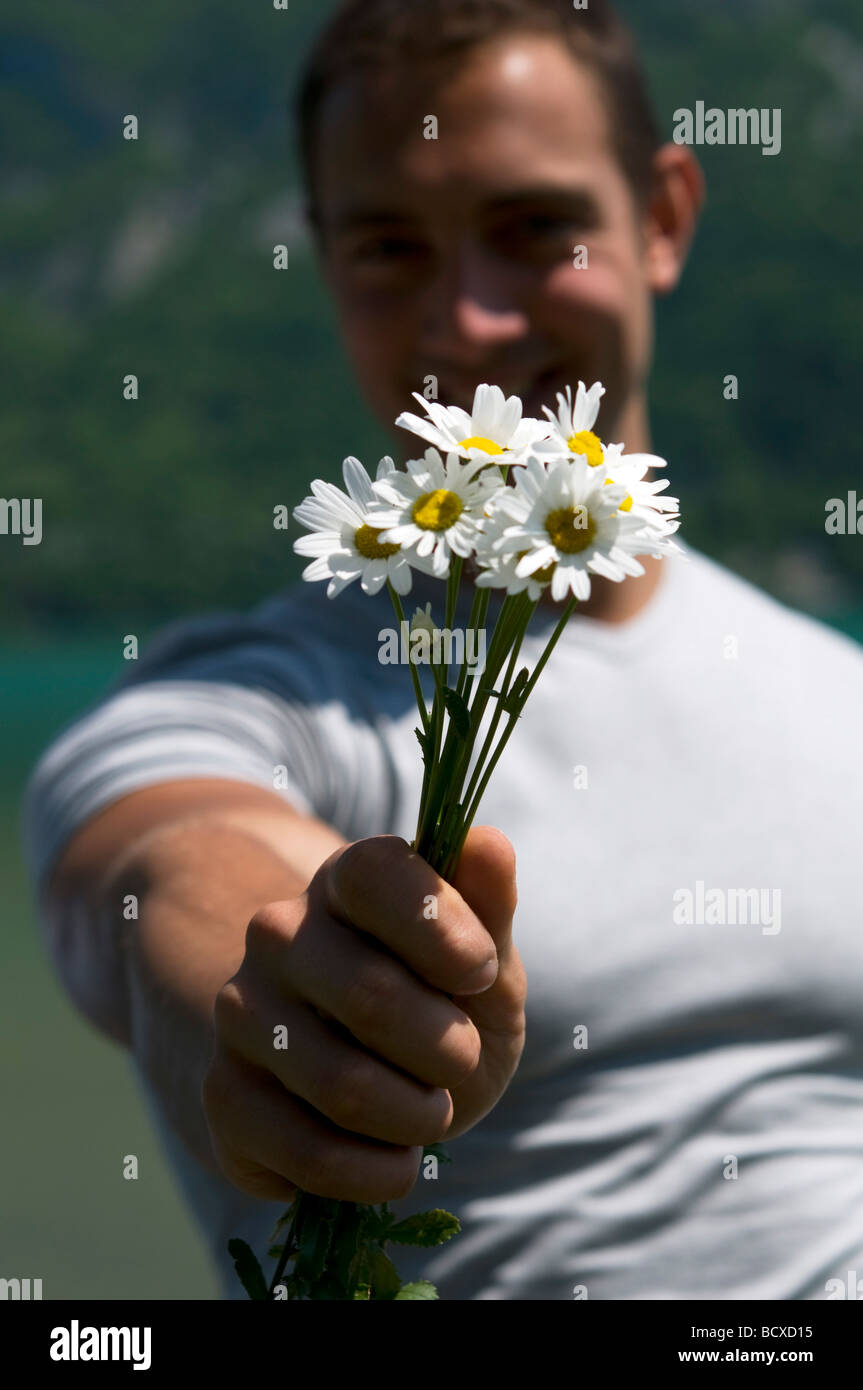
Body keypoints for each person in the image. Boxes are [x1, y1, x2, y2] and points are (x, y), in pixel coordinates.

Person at [24, 0, 863, 1301]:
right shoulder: (233, 703)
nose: (467, 325)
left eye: (534, 229)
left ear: (665, 217)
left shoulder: (841, 696)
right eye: (389, 248)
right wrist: (274, 1019)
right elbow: (158, 869)